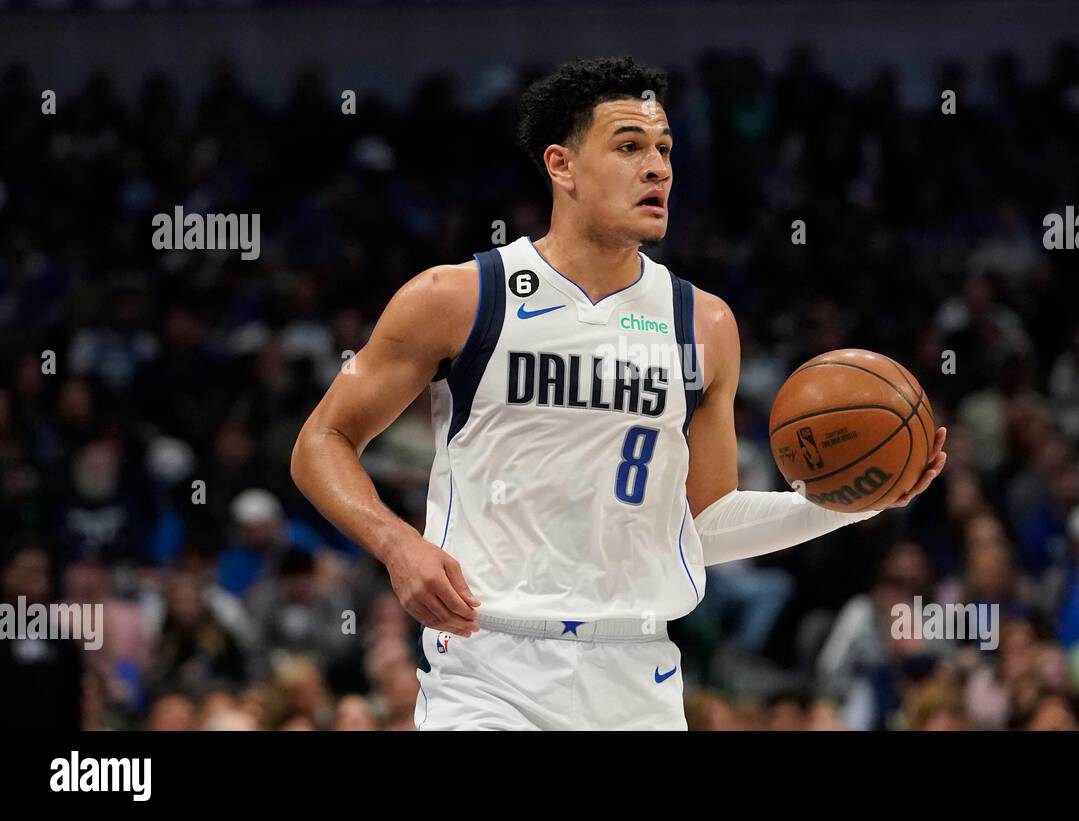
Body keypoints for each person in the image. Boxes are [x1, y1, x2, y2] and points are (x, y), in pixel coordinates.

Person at [291, 56, 946, 730]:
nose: (658, 168)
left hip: (638, 676)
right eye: (629, 147)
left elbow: (705, 524)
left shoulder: (704, 323)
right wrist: (398, 544)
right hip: (489, 666)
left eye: (664, 149)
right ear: (562, 165)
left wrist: (854, 500)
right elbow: (321, 441)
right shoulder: (458, 297)